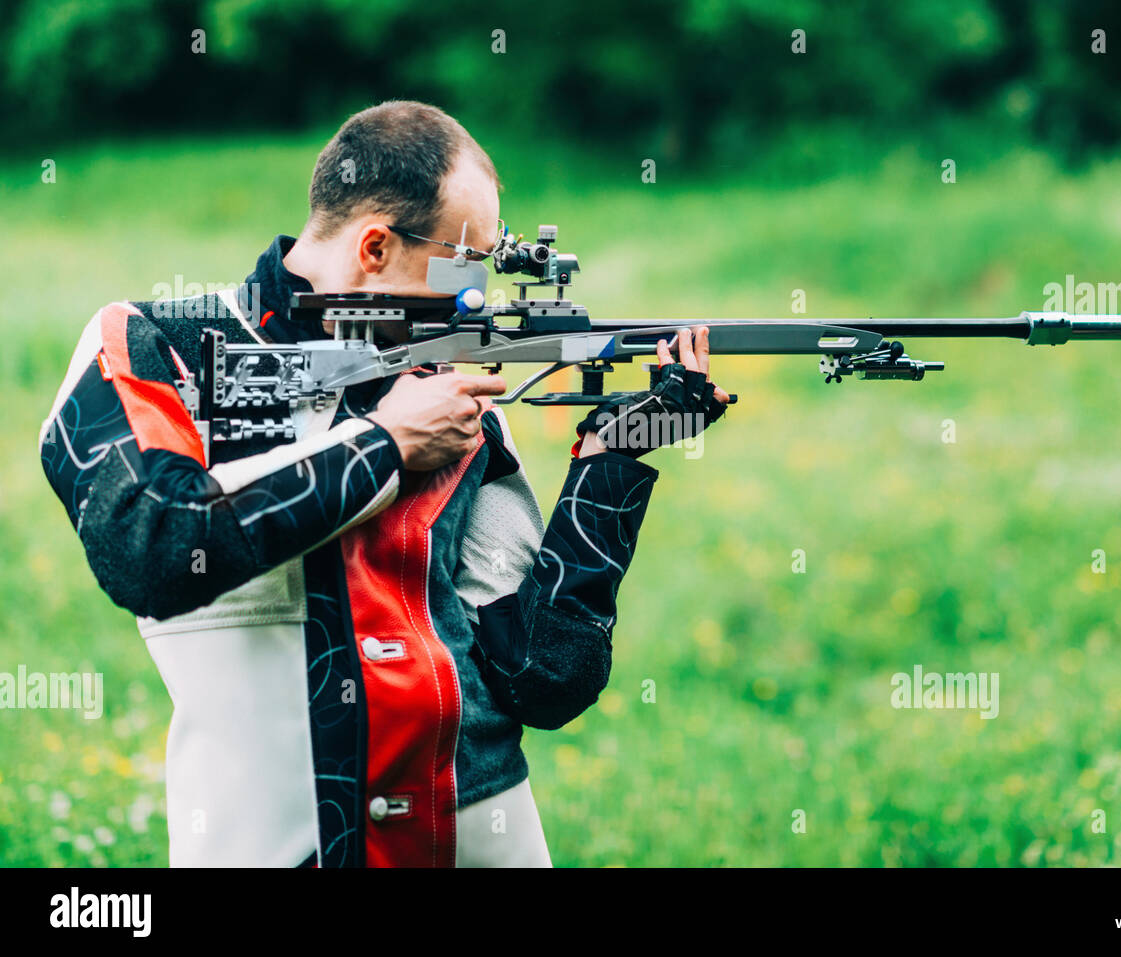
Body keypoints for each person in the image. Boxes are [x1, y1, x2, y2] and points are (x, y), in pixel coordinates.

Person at [37, 100, 729, 867]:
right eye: (467, 265)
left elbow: (544, 673)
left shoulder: (446, 394)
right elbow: (152, 545)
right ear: (375, 245)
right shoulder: (152, 346)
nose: (478, 297)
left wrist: (616, 454)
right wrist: (388, 444)